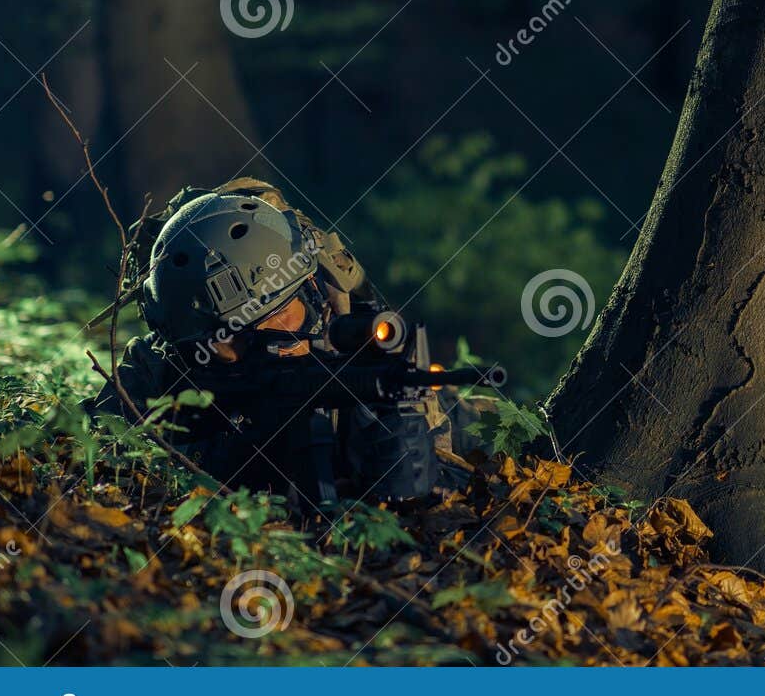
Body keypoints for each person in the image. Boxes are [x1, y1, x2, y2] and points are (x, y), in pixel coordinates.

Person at [96, 178, 487, 508]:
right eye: (235, 338)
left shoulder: (361, 363)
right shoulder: (158, 372)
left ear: (313, 290)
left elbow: (444, 501)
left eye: (285, 315)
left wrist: (401, 466)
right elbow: (85, 455)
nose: (277, 344)